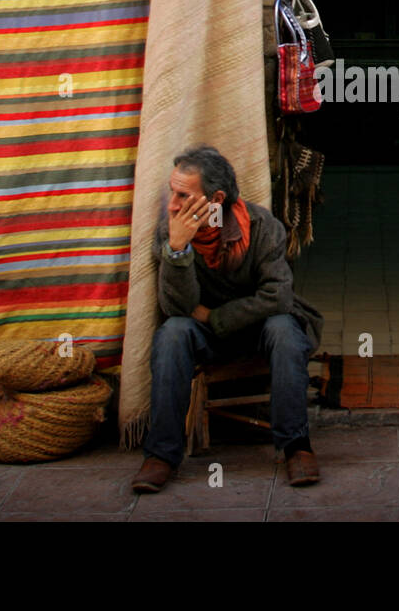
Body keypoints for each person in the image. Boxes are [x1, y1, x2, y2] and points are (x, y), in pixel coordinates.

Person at [131, 144, 324, 493]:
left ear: (215, 198)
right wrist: (178, 251)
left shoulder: (263, 226)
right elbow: (177, 308)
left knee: (284, 329)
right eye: (171, 193)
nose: (173, 204)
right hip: (203, 335)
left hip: (258, 328)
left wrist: (214, 316)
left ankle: (296, 447)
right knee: (173, 333)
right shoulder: (171, 231)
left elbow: (277, 296)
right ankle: (160, 454)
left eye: (183, 195)